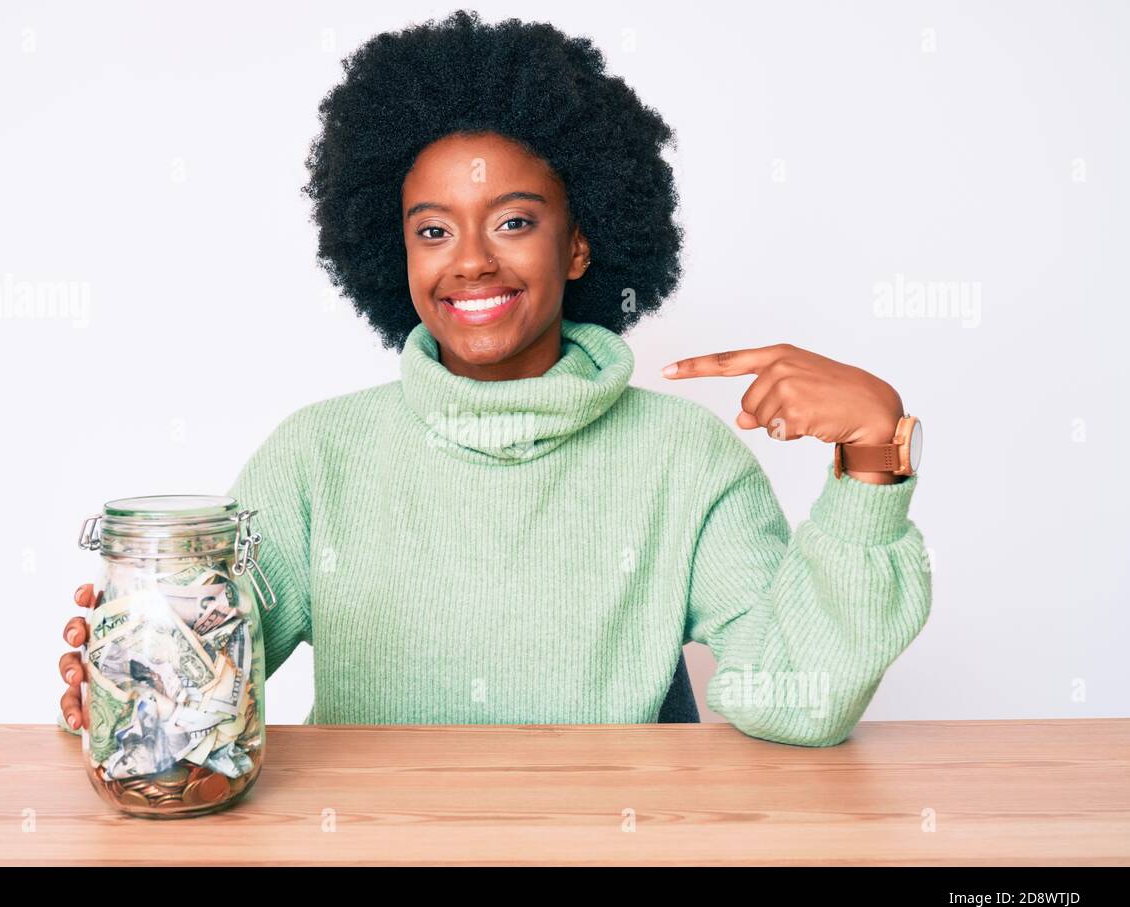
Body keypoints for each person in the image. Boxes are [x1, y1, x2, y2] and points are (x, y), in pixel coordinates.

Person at [59, 9, 930, 746]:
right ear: (392, 251)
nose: (470, 261)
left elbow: (800, 699)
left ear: (580, 243)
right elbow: (198, 684)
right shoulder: (319, 453)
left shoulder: (685, 460)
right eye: (433, 231)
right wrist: (133, 678)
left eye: (513, 220)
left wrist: (871, 464)